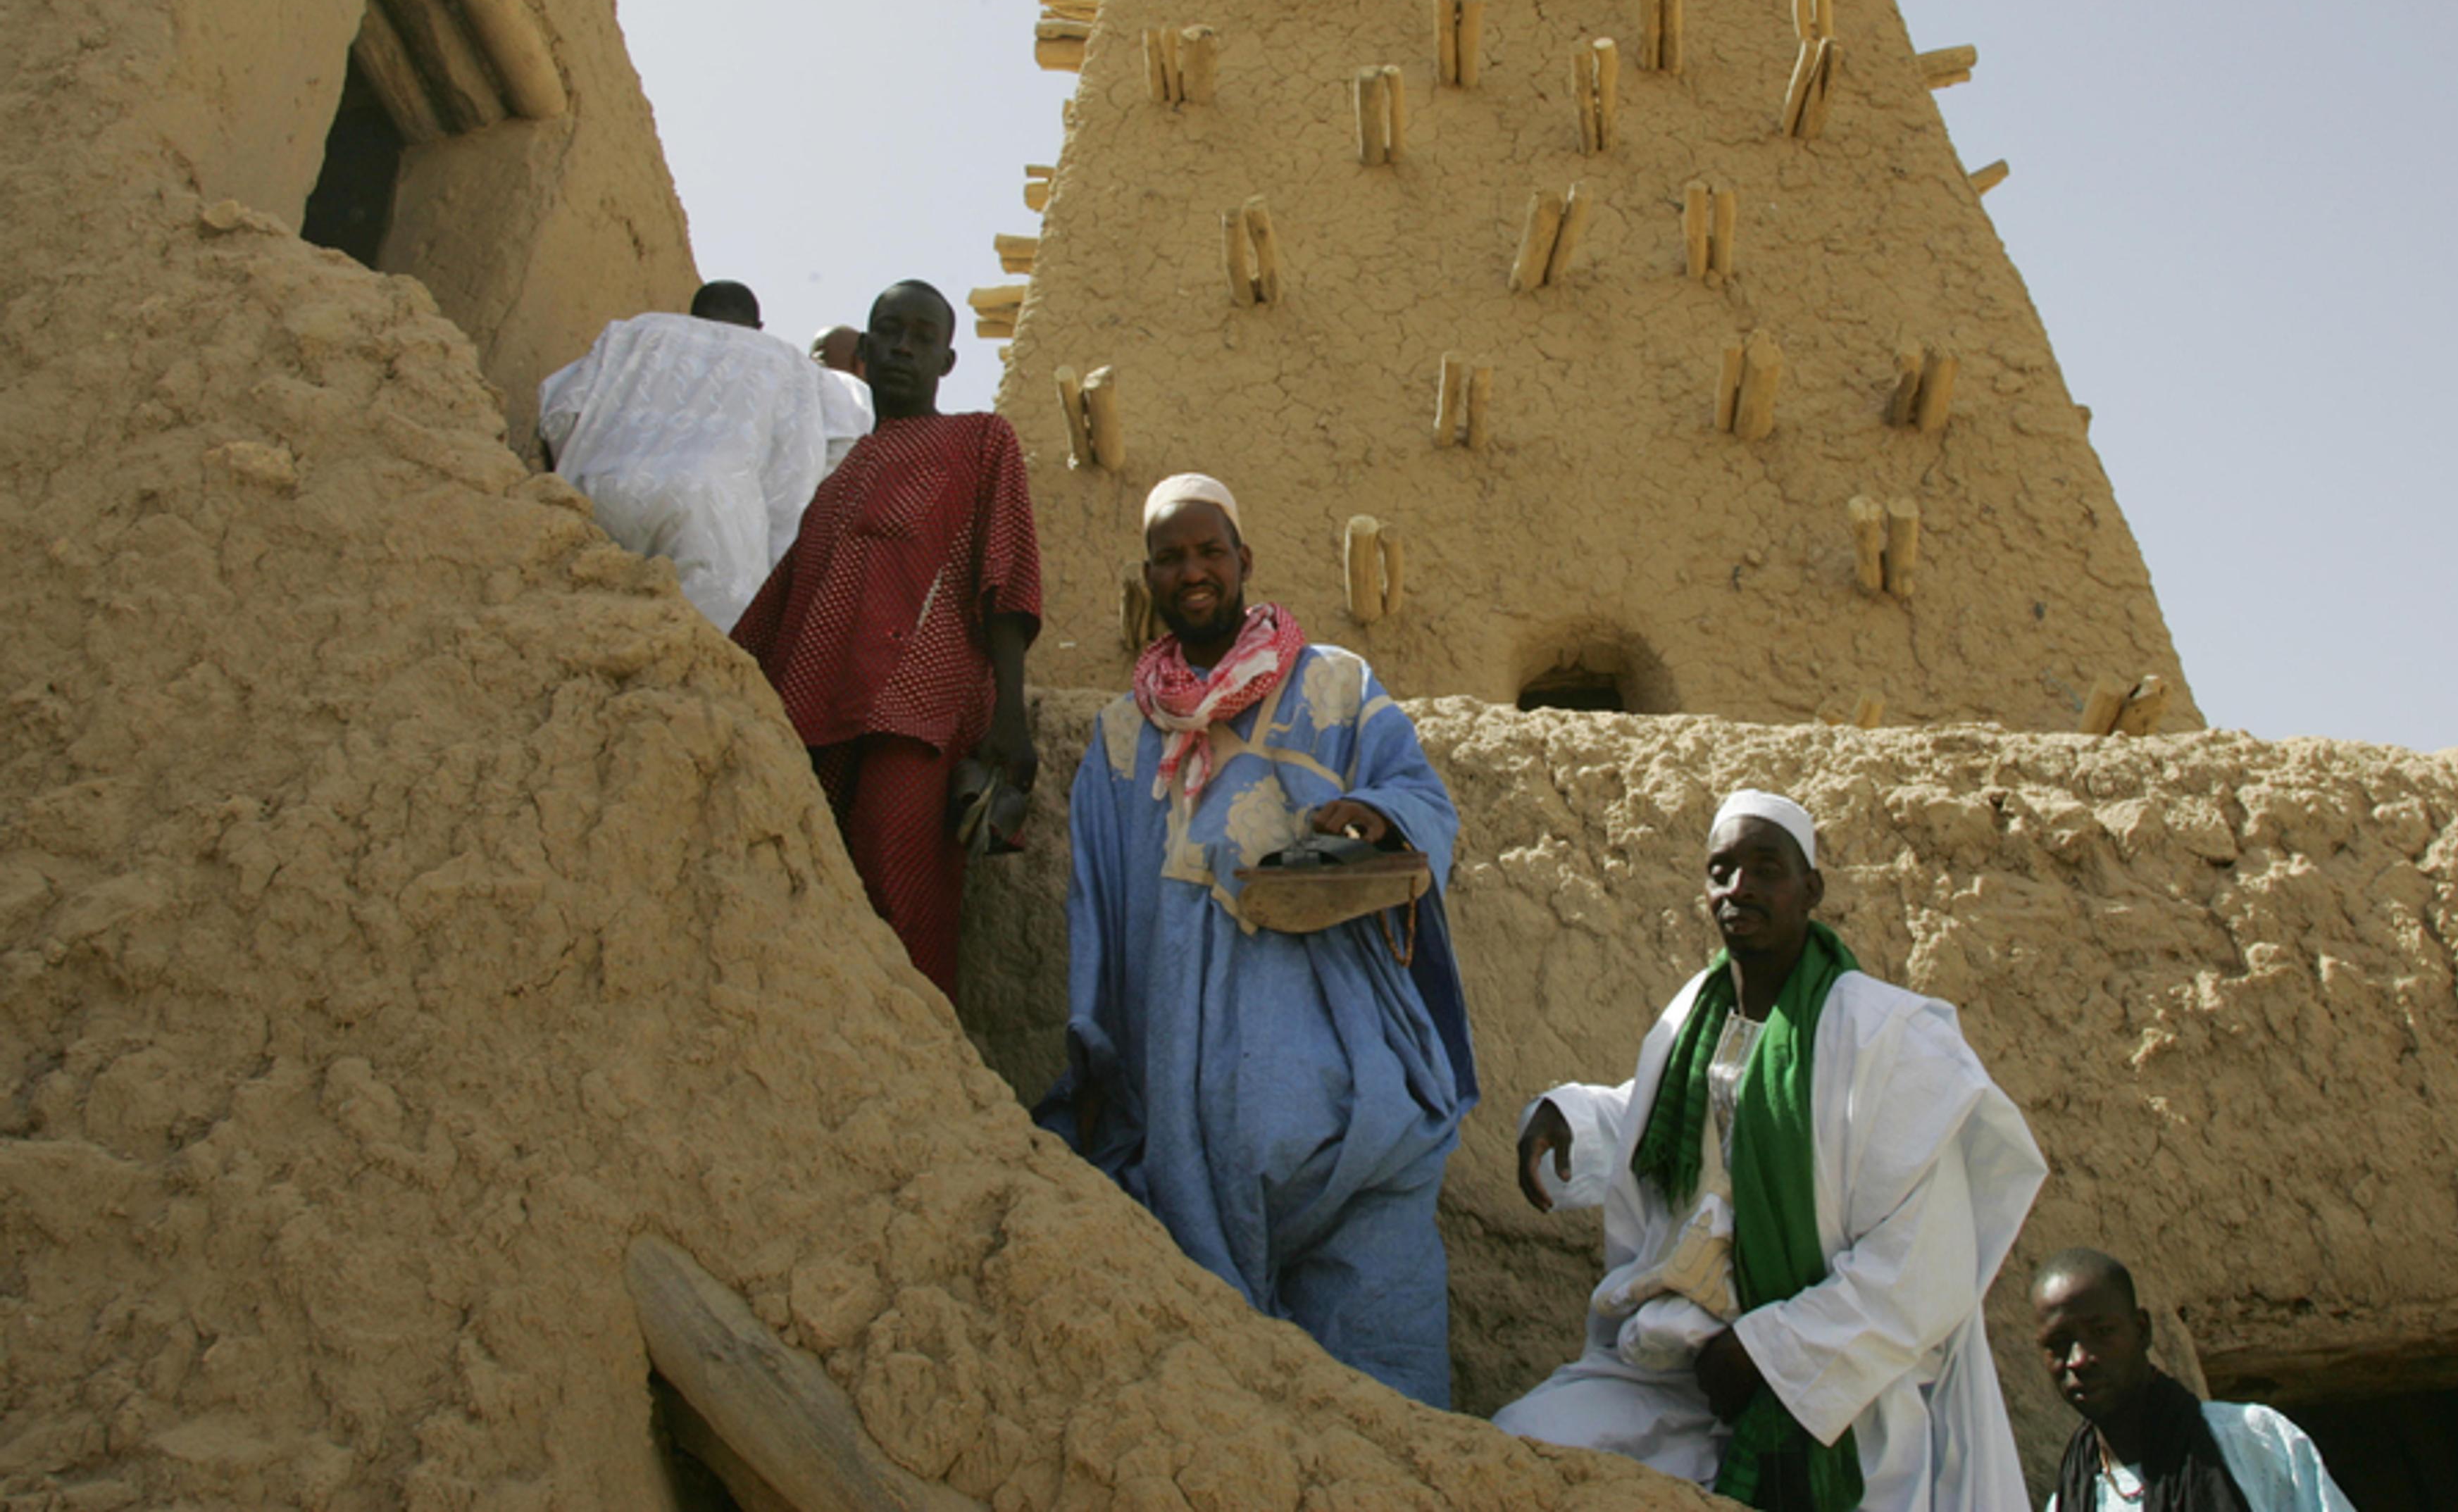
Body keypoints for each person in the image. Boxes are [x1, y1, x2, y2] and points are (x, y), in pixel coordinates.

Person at [1035, 473, 1475, 1408]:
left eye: (1210, 550)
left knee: (1387, 1402)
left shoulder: (1335, 683)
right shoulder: (1122, 738)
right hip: (1187, 1137)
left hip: (1351, 1113)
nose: (1193, 570)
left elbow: (1427, 801)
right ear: (1148, 576)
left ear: (1244, 563)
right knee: (1227, 1406)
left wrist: (1370, 813)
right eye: (1171, 555)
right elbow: (1100, 915)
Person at [1493, 792, 2047, 1511]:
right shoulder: (1695, 1016)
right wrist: (1570, 1114)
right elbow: (1680, 1115)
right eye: (1720, 869)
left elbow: (1923, 1264)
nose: (1739, 886)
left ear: (1810, 888)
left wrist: (1770, 1349)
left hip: (1839, 1381)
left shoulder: (1886, 1036)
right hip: (1685, 1360)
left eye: (1764, 866)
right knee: (1524, 1441)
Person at [732, 280, 1040, 999]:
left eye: (921, 336)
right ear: (864, 353)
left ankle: (919, 1073)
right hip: (809, 722)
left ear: (947, 358)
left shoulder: (977, 440)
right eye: (889, 333)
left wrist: (1011, 719)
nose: (903, 346)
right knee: (804, 901)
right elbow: (772, 619)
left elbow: (1007, 574)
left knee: (898, 901)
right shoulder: (834, 487)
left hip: (915, 713)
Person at [537, 281, 867, 631]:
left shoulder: (638, 331)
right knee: (704, 649)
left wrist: (577, 470)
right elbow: (840, 447)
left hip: (604, 490)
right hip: (715, 515)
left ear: (692, 317)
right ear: (758, 329)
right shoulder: (791, 363)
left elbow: (559, 411)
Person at [2033, 1249, 2355, 1512]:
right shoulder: (2069, 1501)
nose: (2078, 1360)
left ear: (2142, 1330)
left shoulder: (2252, 1441)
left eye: (2101, 1333)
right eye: (2059, 1343)